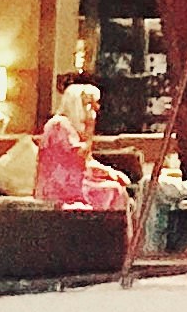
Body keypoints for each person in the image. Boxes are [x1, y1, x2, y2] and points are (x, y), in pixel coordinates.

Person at [34, 80, 132, 219]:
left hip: (74, 182)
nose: (96, 109)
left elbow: (88, 161)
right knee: (113, 191)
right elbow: (79, 156)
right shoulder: (59, 125)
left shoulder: (72, 128)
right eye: (89, 105)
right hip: (59, 188)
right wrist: (90, 128)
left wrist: (111, 173)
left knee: (116, 187)